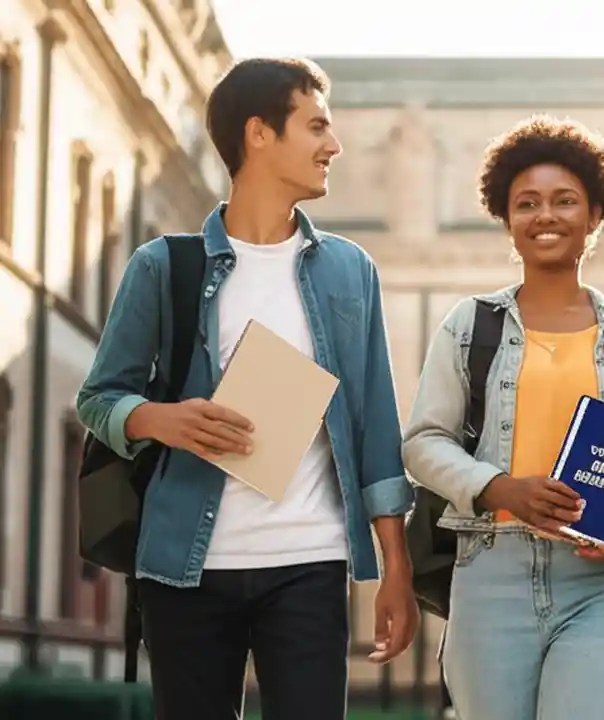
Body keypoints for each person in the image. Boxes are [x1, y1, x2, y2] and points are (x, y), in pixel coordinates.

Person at [76, 57, 418, 720]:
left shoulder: (350, 271)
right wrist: (159, 420)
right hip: (184, 567)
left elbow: (376, 422)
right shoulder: (164, 266)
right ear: (259, 133)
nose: (334, 145)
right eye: (316, 125)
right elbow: (99, 397)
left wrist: (394, 567)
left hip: (309, 562)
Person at [402, 115, 604, 720]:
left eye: (565, 201)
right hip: (490, 572)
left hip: (601, 584)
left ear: (593, 215)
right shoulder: (468, 326)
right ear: (507, 219)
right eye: (526, 203)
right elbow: (424, 443)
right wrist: (500, 488)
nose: (546, 215)